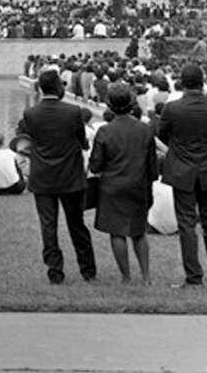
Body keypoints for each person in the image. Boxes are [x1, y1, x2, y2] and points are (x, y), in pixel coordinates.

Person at [15, 67, 97, 285]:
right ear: (59, 87)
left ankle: (55, 270)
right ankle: (87, 269)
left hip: (43, 177)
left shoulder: (31, 114)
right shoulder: (73, 112)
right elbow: (83, 142)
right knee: (76, 224)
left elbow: (25, 141)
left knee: (48, 225)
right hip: (70, 176)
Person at [157, 62, 207, 289]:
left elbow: (164, 136)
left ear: (182, 83)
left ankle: (193, 276)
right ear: (202, 82)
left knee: (186, 224)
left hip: (182, 169)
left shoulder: (172, 109)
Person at [87, 83, 157, 285]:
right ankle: (146, 277)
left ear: (109, 105)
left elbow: (96, 165)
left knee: (117, 231)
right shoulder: (145, 130)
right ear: (132, 103)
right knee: (139, 231)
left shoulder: (104, 132)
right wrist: (149, 186)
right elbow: (152, 165)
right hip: (138, 184)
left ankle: (126, 277)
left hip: (112, 186)